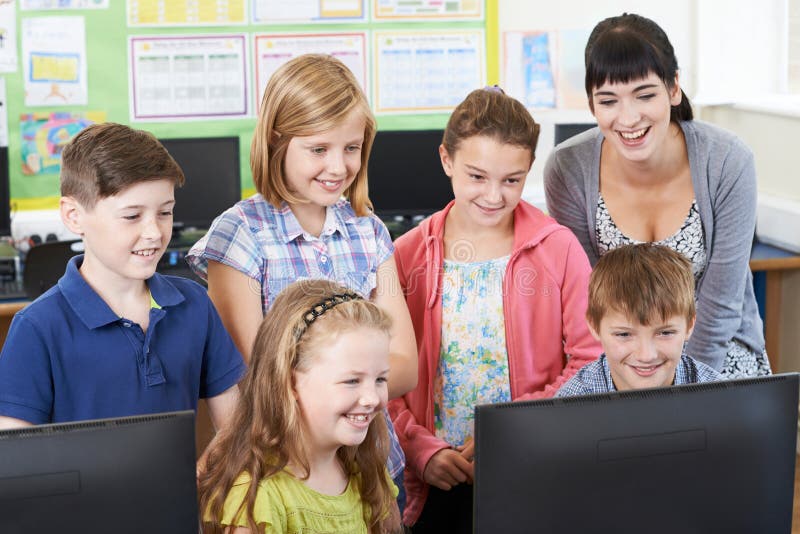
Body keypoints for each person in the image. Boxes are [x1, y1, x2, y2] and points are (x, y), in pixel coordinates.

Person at [186, 53, 416, 508]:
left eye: (351, 148)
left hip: (374, 469)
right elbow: (254, 378)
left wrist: (330, 384)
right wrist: (365, 378)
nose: (338, 167)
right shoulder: (241, 234)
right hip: (287, 477)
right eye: (319, 149)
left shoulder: (369, 231)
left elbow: (406, 365)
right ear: (277, 141)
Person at [388, 87, 602, 531]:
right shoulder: (406, 255)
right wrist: (420, 449)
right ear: (446, 160)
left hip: (532, 466)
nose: (493, 195)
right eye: (477, 176)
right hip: (435, 477)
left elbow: (591, 360)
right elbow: (383, 377)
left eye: (511, 180)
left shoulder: (558, 248)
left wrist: (511, 431)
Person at [544, 13, 768, 378]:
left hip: (714, 354)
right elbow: (588, 298)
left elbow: (722, 307)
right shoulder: (567, 168)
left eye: (645, 95)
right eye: (608, 101)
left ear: (673, 88)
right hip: (621, 361)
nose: (628, 118)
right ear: (591, 104)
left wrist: (684, 389)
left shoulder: (728, 160)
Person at [0, 123, 245, 434]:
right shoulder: (37, 328)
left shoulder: (195, 304)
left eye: (165, 212)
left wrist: (204, 465)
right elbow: (14, 455)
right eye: (132, 216)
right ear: (74, 216)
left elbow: (235, 432)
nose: (154, 233)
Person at [199, 279, 401, 534]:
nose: (372, 398)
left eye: (380, 379)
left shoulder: (369, 474)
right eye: (352, 381)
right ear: (291, 381)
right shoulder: (259, 497)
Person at [556, 243, 720, 397]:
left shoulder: (718, 397)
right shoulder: (570, 405)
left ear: (689, 325)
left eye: (665, 333)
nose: (646, 356)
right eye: (624, 334)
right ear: (594, 326)